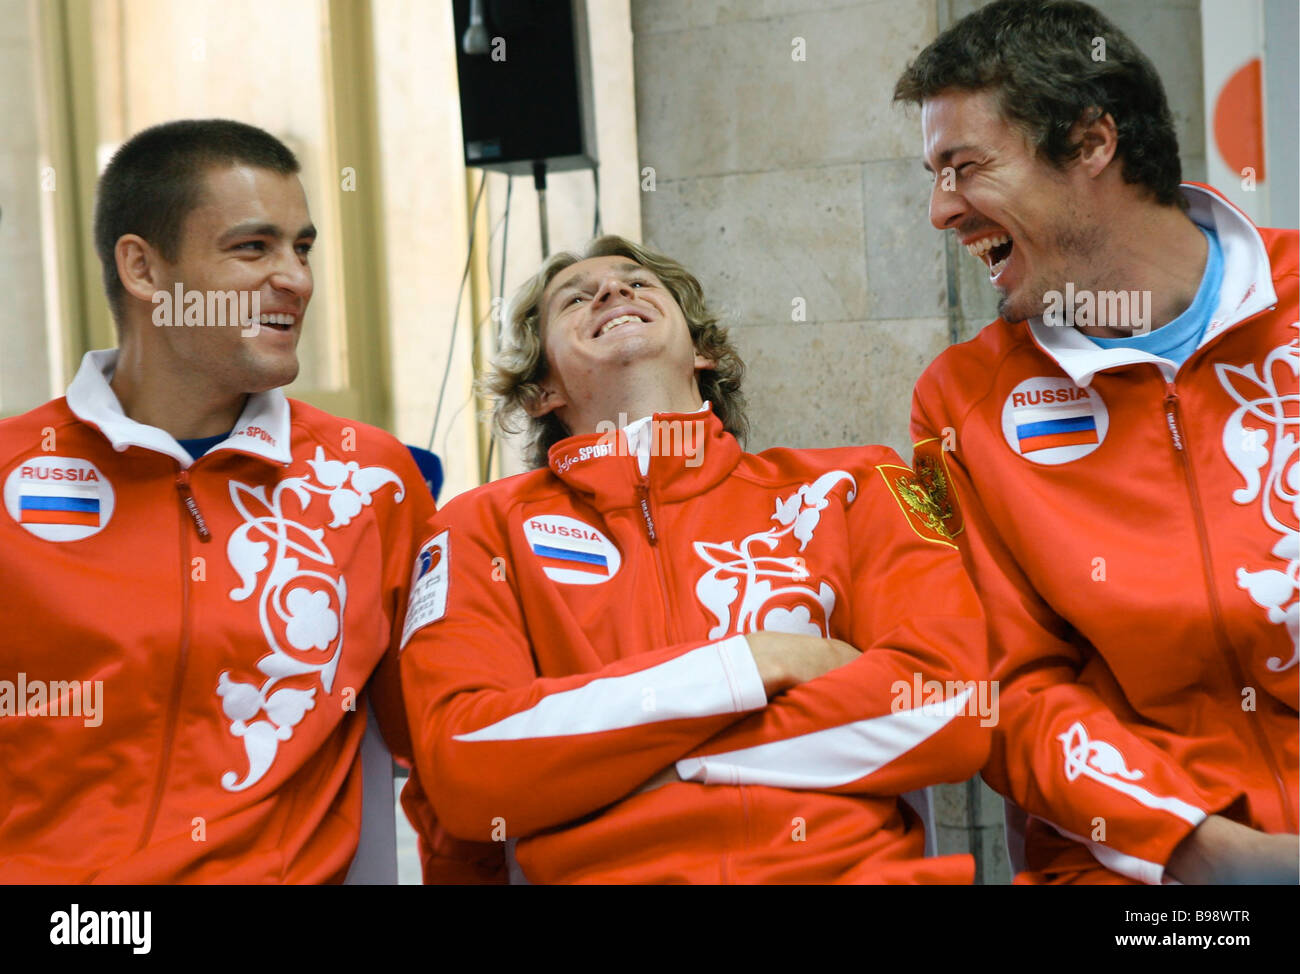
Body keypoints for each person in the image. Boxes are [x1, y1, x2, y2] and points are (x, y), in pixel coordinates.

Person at [397, 234, 992, 884]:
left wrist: (632, 765)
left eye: (638, 282)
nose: (612, 292)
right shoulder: (477, 529)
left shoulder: (855, 484)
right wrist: (758, 662)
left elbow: (951, 705)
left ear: (703, 351)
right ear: (541, 389)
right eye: (575, 298)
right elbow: (467, 768)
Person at [894, 0, 1298, 884]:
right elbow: (1011, 688)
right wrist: (1211, 852)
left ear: (1090, 144)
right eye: (934, 175)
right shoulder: (960, 402)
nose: (940, 211)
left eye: (964, 168)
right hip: (1143, 874)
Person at [0, 119, 440, 882]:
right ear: (143, 269)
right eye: (253, 248)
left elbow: (445, 751)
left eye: (301, 248)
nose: (297, 279)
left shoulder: (371, 480)